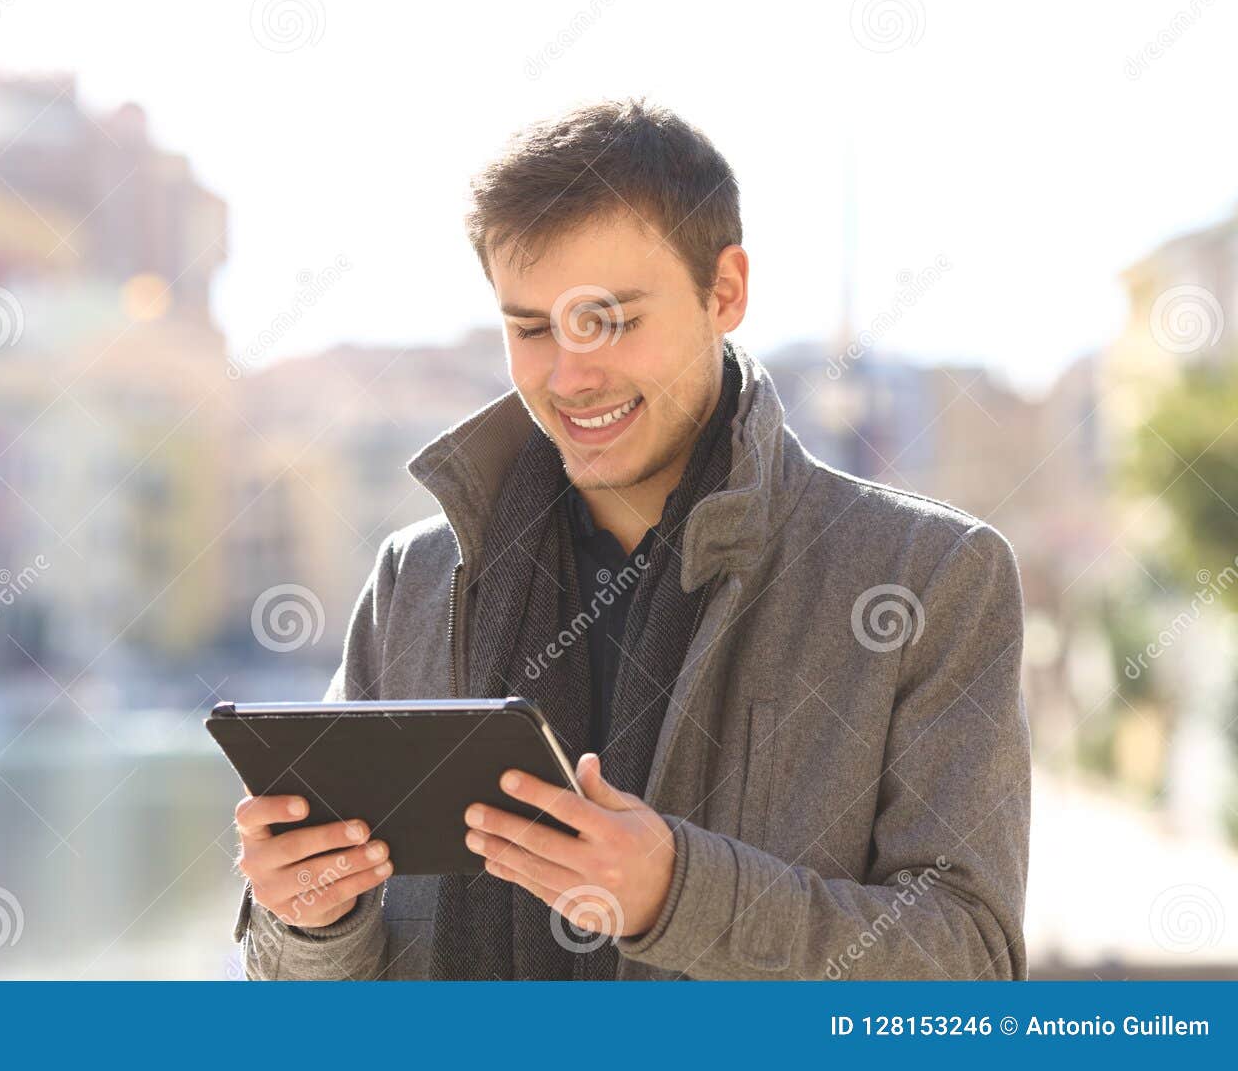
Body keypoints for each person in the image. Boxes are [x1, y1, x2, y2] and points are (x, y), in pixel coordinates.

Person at [232, 98, 1030, 980]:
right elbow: (309, 994)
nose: (570, 376)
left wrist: (676, 897)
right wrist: (309, 923)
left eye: (610, 319)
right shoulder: (413, 580)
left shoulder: (932, 576)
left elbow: (971, 965)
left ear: (724, 292)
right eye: (531, 328)